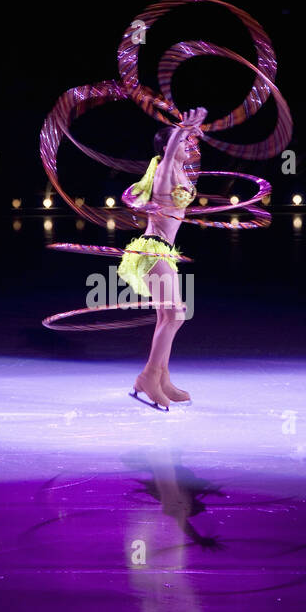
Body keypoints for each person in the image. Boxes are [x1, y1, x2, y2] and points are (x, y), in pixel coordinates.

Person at [118, 107, 207, 410]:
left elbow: (186, 152)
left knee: (167, 317)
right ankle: (147, 378)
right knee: (175, 315)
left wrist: (192, 133)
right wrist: (183, 127)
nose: (186, 147)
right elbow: (171, 152)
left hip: (164, 251)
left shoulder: (181, 170)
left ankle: (163, 378)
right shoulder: (165, 169)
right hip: (152, 249)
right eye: (181, 143)